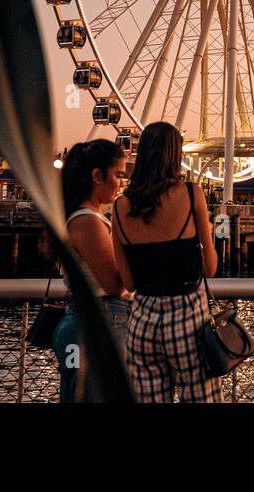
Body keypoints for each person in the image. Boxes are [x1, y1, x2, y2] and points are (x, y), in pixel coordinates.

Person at [111, 121, 220, 402]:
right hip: (187, 319)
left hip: (142, 322)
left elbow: (129, 282)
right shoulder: (190, 193)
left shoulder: (120, 207)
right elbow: (209, 268)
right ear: (176, 155)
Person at [51, 138, 129, 403]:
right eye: (118, 175)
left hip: (87, 321)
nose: (121, 183)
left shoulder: (84, 216)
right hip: (99, 321)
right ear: (97, 175)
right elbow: (115, 284)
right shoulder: (87, 221)